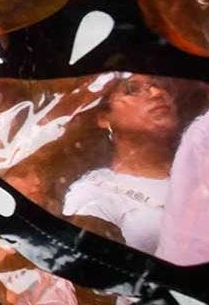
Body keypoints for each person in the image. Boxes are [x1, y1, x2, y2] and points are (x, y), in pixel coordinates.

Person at [62, 74, 183, 254]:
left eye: (159, 84)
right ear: (103, 117)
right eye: (132, 89)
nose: (157, 92)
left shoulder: (206, 154)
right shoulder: (92, 193)